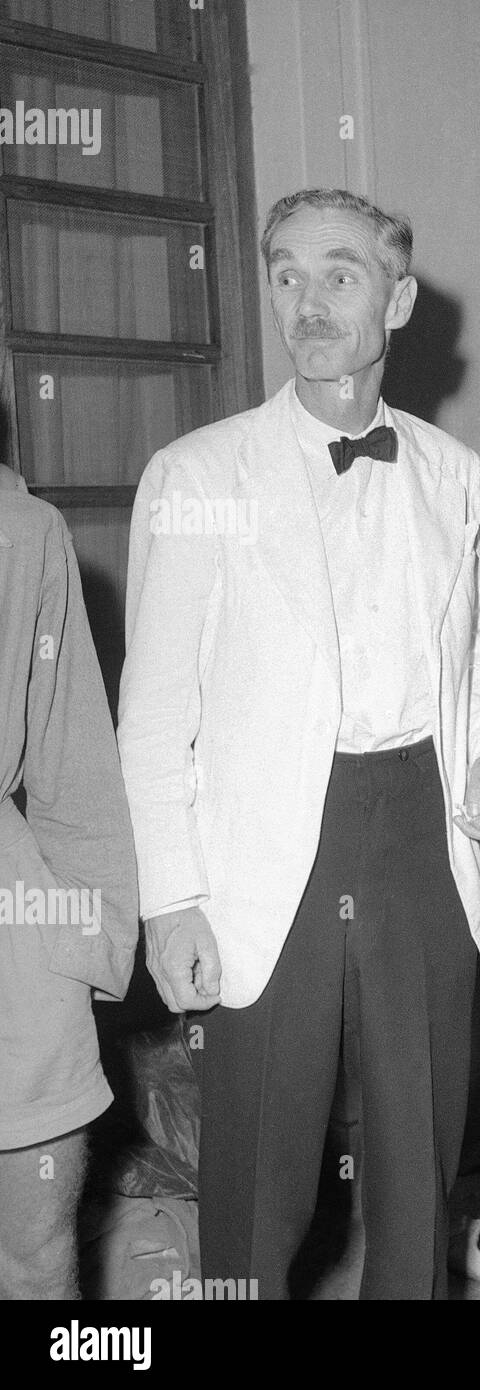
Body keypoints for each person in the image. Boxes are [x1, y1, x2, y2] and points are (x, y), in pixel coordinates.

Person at [117, 188, 480, 1299]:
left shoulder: (452, 472)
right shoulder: (199, 476)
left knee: (418, 1167)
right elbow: (152, 716)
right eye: (286, 274)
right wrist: (172, 897)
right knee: (261, 1175)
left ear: (396, 299)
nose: (307, 300)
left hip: (422, 841)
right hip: (266, 852)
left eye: (339, 274)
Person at [0, 462, 139, 1297]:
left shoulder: (25, 533)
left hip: (13, 932)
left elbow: (74, 765)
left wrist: (91, 937)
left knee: (35, 1247)